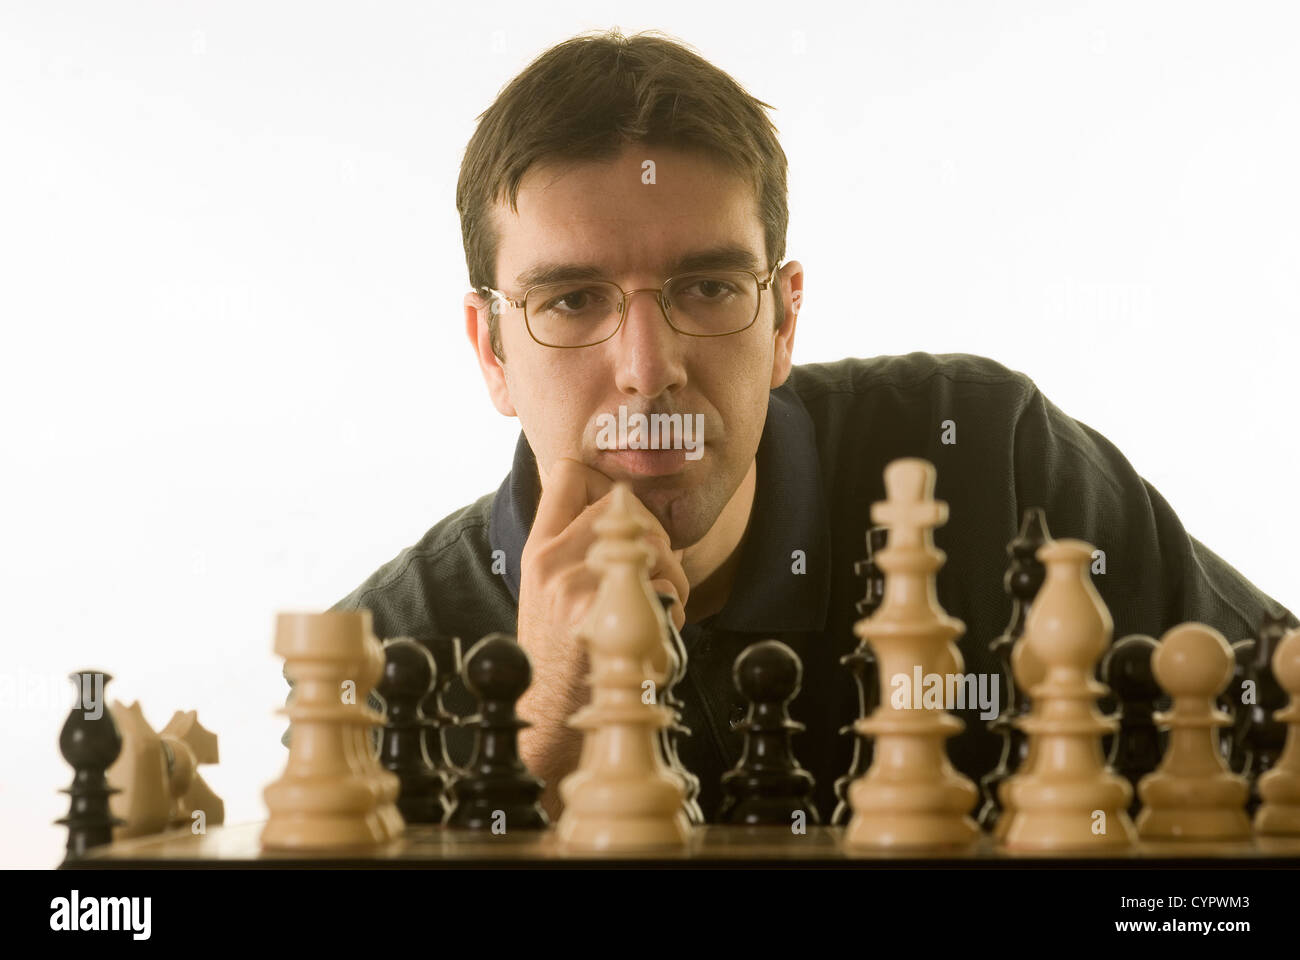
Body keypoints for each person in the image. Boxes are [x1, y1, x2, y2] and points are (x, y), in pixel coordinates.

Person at [327, 29, 1296, 821]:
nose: (648, 368)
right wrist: (543, 732)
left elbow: (1275, 705)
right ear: (491, 348)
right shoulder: (376, 653)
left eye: (706, 287)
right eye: (572, 301)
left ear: (784, 319)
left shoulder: (997, 458)